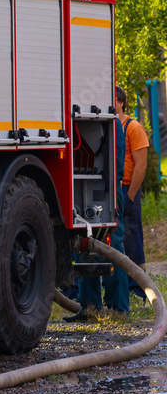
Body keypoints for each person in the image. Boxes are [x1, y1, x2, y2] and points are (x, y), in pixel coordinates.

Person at [65, 112, 129, 321]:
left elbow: (115, 166)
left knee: (112, 246)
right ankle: (90, 308)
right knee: (83, 244)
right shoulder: (76, 119)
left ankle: (118, 308)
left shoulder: (112, 124)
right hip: (81, 188)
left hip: (107, 190)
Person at [116, 85, 149, 300]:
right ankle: (120, 283)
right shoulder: (109, 126)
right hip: (113, 189)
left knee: (132, 237)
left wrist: (130, 194)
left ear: (120, 102)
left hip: (128, 189)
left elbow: (141, 165)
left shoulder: (133, 127)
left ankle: (137, 288)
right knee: (115, 239)